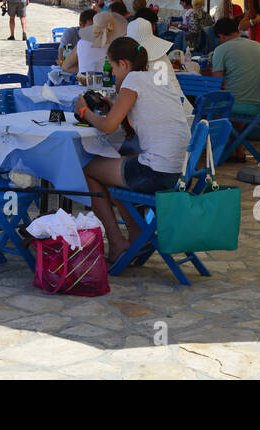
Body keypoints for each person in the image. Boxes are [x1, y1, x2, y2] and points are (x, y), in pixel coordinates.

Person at [74, 36, 192, 262]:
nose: (114, 75)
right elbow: (151, 114)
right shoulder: (160, 79)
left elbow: (108, 127)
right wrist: (116, 106)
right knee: (118, 164)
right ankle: (137, 233)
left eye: (114, 68)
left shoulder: (133, 80)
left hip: (157, 173)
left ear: (124, 64)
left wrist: (84, 111)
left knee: (88, 168)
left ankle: (118, 242)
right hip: (179, 172)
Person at [203, 16, 260, 120]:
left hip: (234, 104)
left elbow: (216, 83)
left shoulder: (221, 49)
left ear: (221, 36)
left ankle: (216, 133)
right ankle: (238, 132)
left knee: (200, 102)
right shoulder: (257, 45)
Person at [62, 10, 122, 75]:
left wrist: (86, 70)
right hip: (109, 82)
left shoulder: (82, 43)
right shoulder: (115, 44)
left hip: (86, 82)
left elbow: (66, 67)